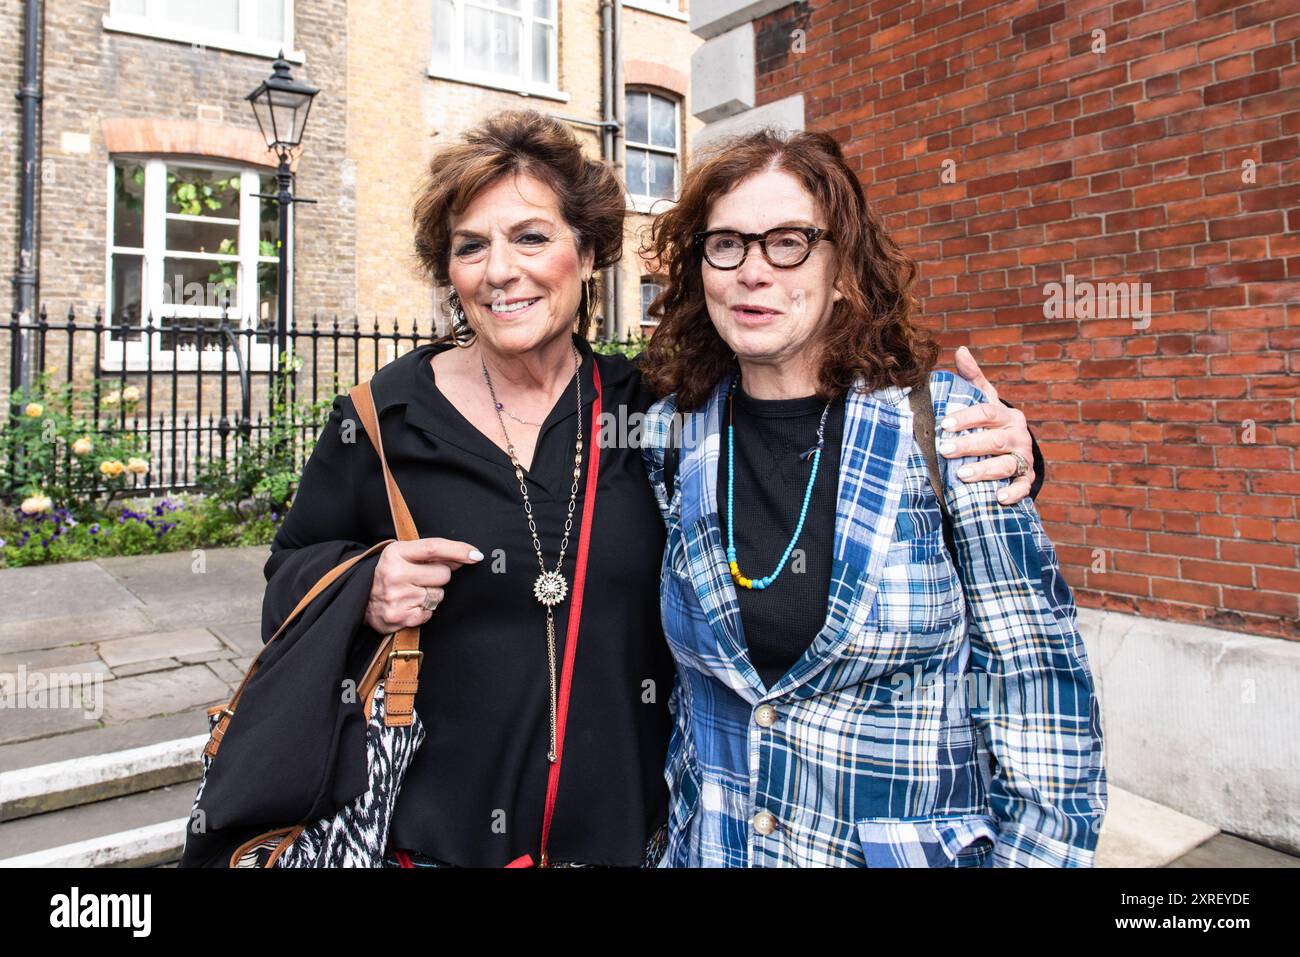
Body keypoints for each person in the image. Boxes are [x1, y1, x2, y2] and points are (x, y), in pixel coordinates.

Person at [255, 111, 1045, 868]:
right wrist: (362, 584)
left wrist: (1019, 453)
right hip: (431, 840)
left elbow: (800, 434)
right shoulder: (384, 418)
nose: (501, 271)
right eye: (471, 247)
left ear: (589, 252)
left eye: (531, 236)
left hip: (635, 839)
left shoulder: (653, 410)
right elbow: (287, 579)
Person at [638, 127, 1106, 867]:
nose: (752, 270)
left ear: (843, 269)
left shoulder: (947, 429)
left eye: (788, 241)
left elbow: (1038, 691)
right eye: (725, 243)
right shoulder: (670, 437)